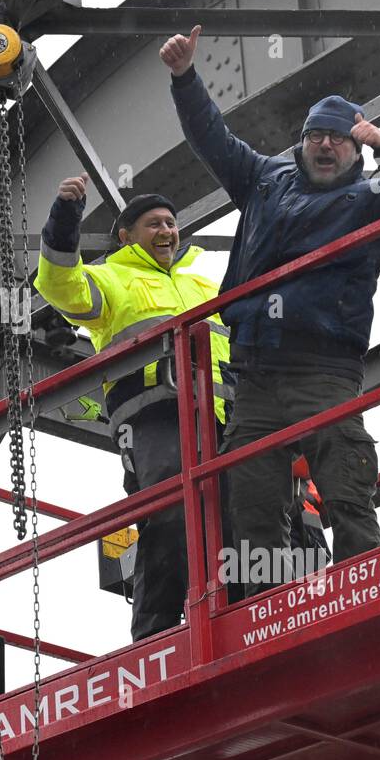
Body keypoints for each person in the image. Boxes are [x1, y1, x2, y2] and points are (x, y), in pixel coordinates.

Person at [161, 24, 380, 597]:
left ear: (355, 151)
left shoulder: (372, 197)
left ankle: (362, 590)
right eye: (317, 135)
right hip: (256, 370)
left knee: (345, 484)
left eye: (339, 138)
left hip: (324, 368)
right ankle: (263, 609)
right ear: (302, 141)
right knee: (251, 496)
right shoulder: (264, 178)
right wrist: (185, 78)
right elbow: (212, 138)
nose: (326, 145)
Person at [34, 177, 231, 640]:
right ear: (126, 236)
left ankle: (237, 614)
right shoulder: (112, 277)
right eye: (154, 224)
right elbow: (60, 284)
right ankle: (154, 634)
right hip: (153, 416)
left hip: (222, 416)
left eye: (171, 223)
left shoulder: (202, 280)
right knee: (169, 514)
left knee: (235, 515)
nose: (167, 231)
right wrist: (65, 217)